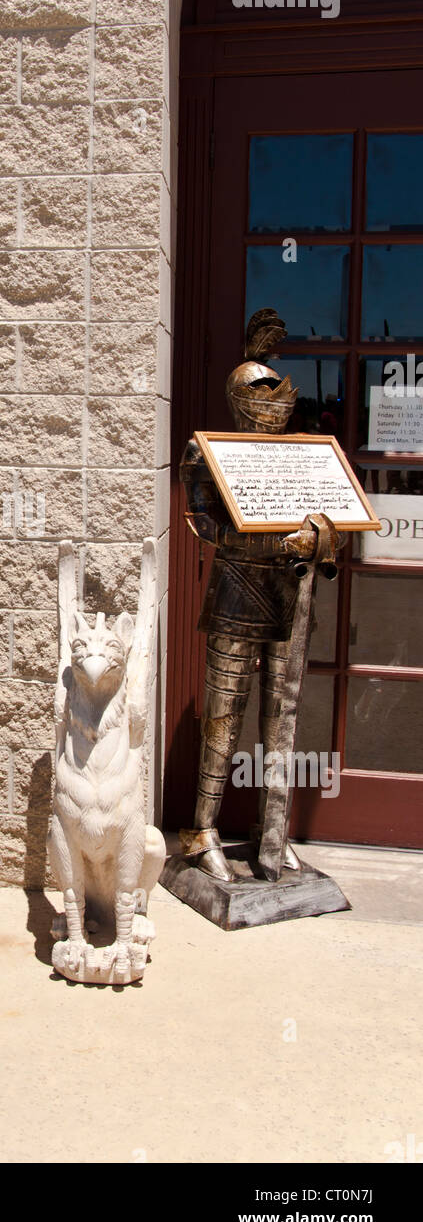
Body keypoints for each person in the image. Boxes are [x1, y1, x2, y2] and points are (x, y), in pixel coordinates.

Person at [178, 308, 341, 882]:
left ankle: (273, 835)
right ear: (240, 397)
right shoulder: (207, 451)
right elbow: (201, 522)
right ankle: (202, 829)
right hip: (239, 588)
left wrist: (318, 536)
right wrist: (270, 537)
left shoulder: (303, 453)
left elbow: (334, 523)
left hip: (293, 591)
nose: (274, 401)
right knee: (223, 715)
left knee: (284, 714)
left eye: (279, 391)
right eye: (263, 391)